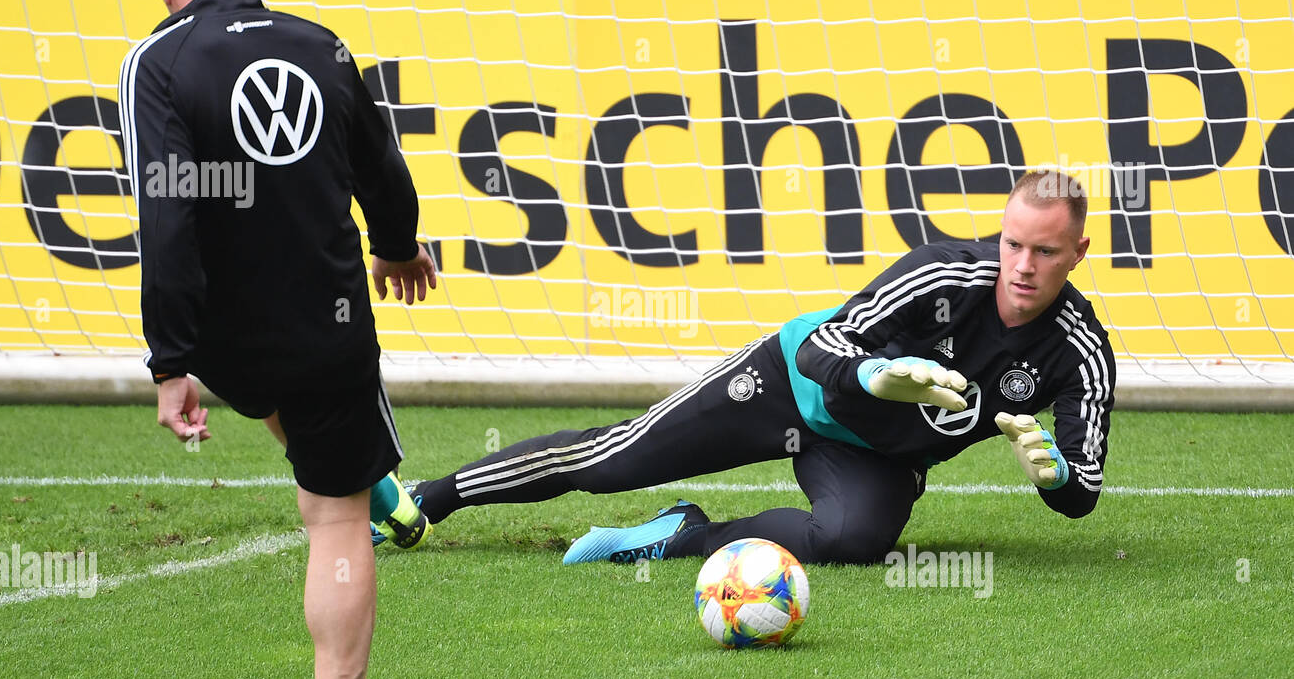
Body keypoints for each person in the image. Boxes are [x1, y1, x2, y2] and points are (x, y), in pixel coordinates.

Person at [119, 0, 437, 679]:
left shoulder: (155, 62)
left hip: (227, 340)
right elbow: (379, 164)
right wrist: (400, 246)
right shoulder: (319, 44)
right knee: (333, 522)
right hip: (323, 327)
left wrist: (172, 362)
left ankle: (367, 480)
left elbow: (168, 217)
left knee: (293, 418)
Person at [406, 169, 1114, 566]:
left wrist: (1053, 476)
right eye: (1013, 243)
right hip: (787, 387)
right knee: (611, 462)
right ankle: (426, 500)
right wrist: (872, 376)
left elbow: (1083, 492)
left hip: (874, 455)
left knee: (853, 542)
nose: (1021, 266)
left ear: (1078, 253)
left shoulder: (1081, 353)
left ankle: (681, 534)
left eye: (1045, 253)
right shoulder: (941, 275)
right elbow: (821, 345)